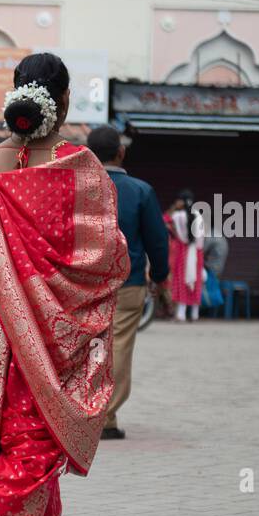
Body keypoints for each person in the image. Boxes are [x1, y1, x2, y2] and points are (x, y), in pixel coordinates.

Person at [0, 52, 129, 516]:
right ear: (65, 99)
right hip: (57, 333)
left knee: (11, 430)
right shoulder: (80, 166)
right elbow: (104, 251)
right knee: (45, 434)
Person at [87, 124, 168, 441]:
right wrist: (160, 277)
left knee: (86, 346)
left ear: (89, 154)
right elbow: (157, 241)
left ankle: (82, 410)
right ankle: (105, 415)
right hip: (128, 282)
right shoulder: (141, 191)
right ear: (121, 152)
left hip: (81, 285)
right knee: (117, 346)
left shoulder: (75, 187)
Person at [165, 189, 205, 321]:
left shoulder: (177, 216)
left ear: (182, 201)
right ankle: (194, 313)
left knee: (181, 279)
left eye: (178, 200)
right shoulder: (199, 216)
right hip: (197, 252)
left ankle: (181, 313)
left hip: (183, 251)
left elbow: (168, 224)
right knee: (196, 280)